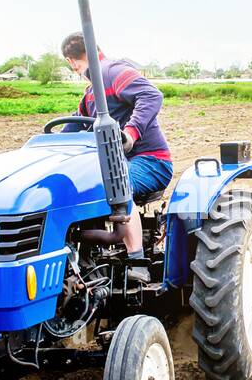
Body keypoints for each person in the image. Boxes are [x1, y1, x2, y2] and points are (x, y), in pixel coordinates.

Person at [60, 32, 173, 283]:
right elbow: (71, 129)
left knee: (113, 185)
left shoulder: (110, 71)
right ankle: (84, 261)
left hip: (150, 160)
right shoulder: (91, 94)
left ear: (71, 61)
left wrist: (131, 132)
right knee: (81, 188)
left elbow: (152, 95)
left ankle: (137, 261)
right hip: (119, 165)